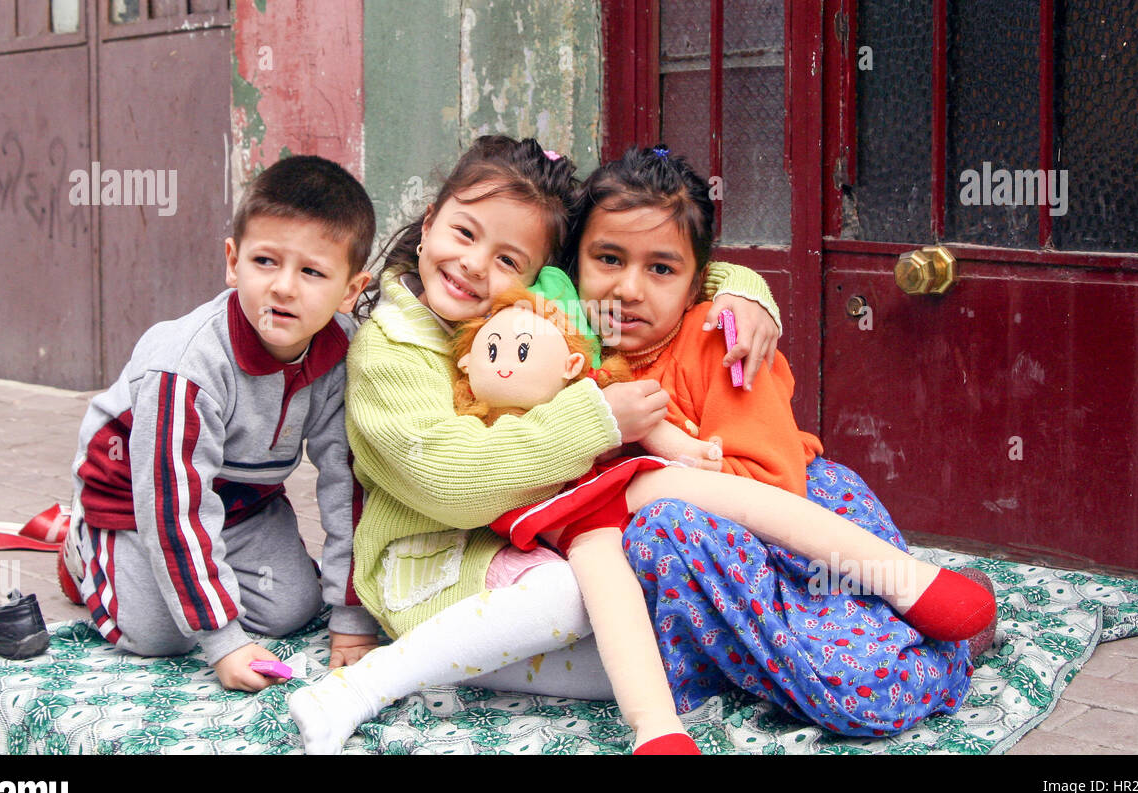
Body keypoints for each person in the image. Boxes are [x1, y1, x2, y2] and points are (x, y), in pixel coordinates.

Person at [287, 134, 781, 753]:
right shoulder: (391, 349)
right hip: (430, 559)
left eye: (507, 261)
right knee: (578, 593)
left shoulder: (528, 317)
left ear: (543, 278)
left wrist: (743, 290)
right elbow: (452, 486)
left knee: (671, 660)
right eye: (464, 235)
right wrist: (596, 418)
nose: (473, 266)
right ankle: (362, 687)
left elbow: (657, 261)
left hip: (522, 541)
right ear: (429, 222)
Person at [567, 145, 994, 735]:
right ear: (574, 263)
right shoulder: (568, 352)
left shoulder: (722, 340)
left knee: (857, 686)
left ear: (698, 283)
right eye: (608, 259)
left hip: (797, 535)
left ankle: (950, 643)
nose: (629, 289)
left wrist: (648, 465)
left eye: (661, 268)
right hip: (714, 567)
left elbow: (776, 485)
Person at [55, 155, 379, 691]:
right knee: (160, 634)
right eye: (266, 261)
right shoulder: (186, 366)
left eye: (313, 272)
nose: (284, 287)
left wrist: (352, 620)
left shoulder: (344, 355)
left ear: (350, 290)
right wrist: (223, 639)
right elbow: (173, 506)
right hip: (138, 502)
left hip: (242, 503)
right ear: (233, 262)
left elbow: (349, 485)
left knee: (291, 609)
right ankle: (82, 548)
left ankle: (200, 576)